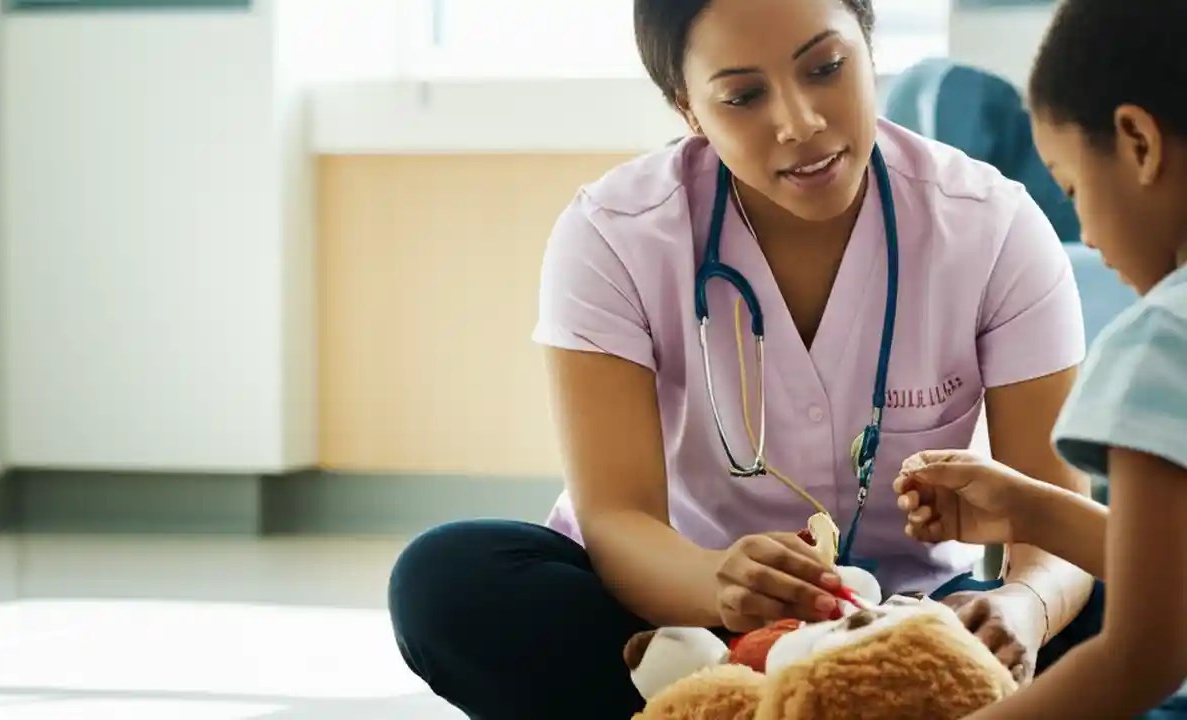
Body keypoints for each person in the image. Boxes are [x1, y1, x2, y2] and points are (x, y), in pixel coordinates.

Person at [389, 0, 1096, 717]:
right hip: (677, 617)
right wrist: (715, 582)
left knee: (1120, 589)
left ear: (869, 48)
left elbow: (1060, 517)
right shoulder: (613, 236)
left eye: (826, 68)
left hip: (909, 621)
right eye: (743, 96)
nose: (800, 122)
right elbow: (617, 519)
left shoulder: (993, 226)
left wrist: (1024, 608)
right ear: (688, 108)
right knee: (447, 580)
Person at [894, 0, 1187, 718]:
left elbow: (1139, 660)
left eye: (1072, 188)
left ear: (1138, 142)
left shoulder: (1164, 339)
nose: (1082, 227)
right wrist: (1029, 507)